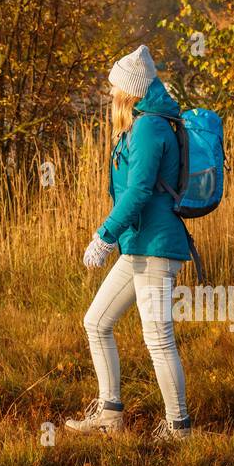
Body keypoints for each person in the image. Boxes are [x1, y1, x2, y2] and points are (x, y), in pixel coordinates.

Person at [65, 44, 192, 440]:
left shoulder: (151, 127)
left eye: (116, 88)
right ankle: (109, 413)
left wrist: (104, 236)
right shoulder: (143, 123)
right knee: (97, 321)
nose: (112, 95)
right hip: (138, 245)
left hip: (154, 247)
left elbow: (138, 192)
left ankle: (179, 427)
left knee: (157, 338)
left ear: (130, 91)